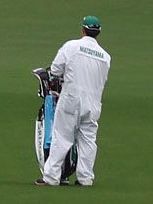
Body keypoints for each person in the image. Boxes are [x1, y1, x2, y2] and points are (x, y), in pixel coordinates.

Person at [38, 16, 109, 187]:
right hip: (93, 103)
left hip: (71, 100)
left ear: (83, 30)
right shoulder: (106, 57)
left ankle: (51, 177)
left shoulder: (72, 46)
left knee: (62, 137)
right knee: (88, 140)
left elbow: (55, 69)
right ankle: (85, 178)